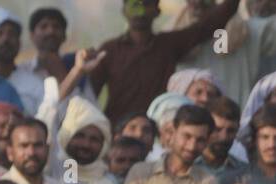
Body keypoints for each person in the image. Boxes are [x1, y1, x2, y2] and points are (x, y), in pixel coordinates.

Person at [89, 0, 243, 121]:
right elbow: (89, 95)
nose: (140, 10)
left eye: (146, 4)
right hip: (117, 129)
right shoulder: (109, 50)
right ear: (123, 11)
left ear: (157, 11)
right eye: (134, 4)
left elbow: (208, 25)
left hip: (156, 130)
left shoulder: (168, 44)